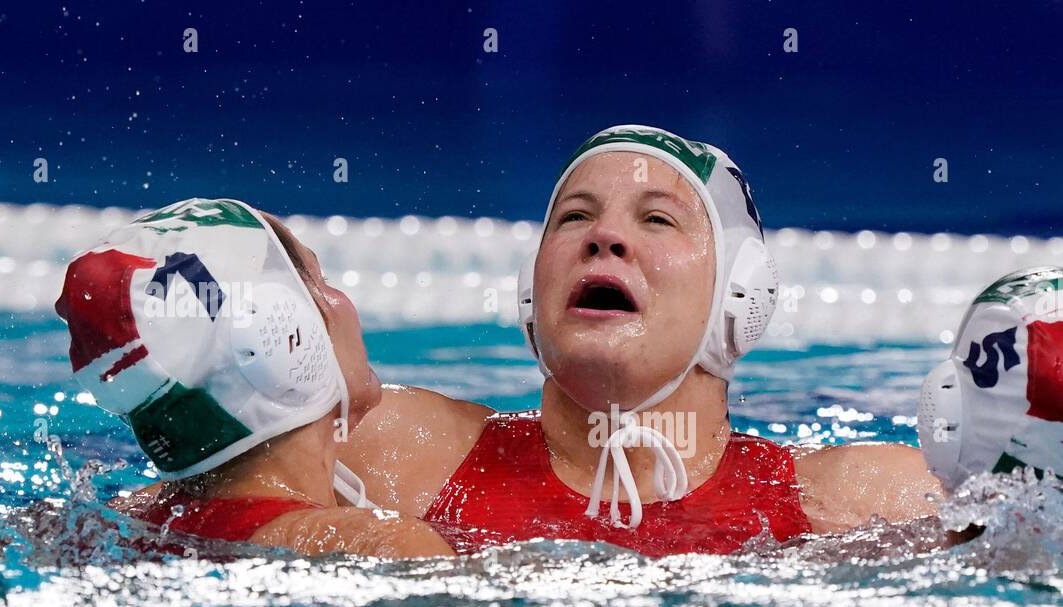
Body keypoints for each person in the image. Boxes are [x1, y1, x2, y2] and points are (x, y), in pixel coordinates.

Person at [342, 125, 944, 558]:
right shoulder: (394, 452)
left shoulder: (870, 499)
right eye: (575, 217)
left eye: (657, 219)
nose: (604, 235)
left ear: (740, 291)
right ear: (532, 288)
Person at [54, 197, 453, 558]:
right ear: (281, 335)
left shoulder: (103, 524)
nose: (341, 302)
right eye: (321, 281)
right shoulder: (379, 545)